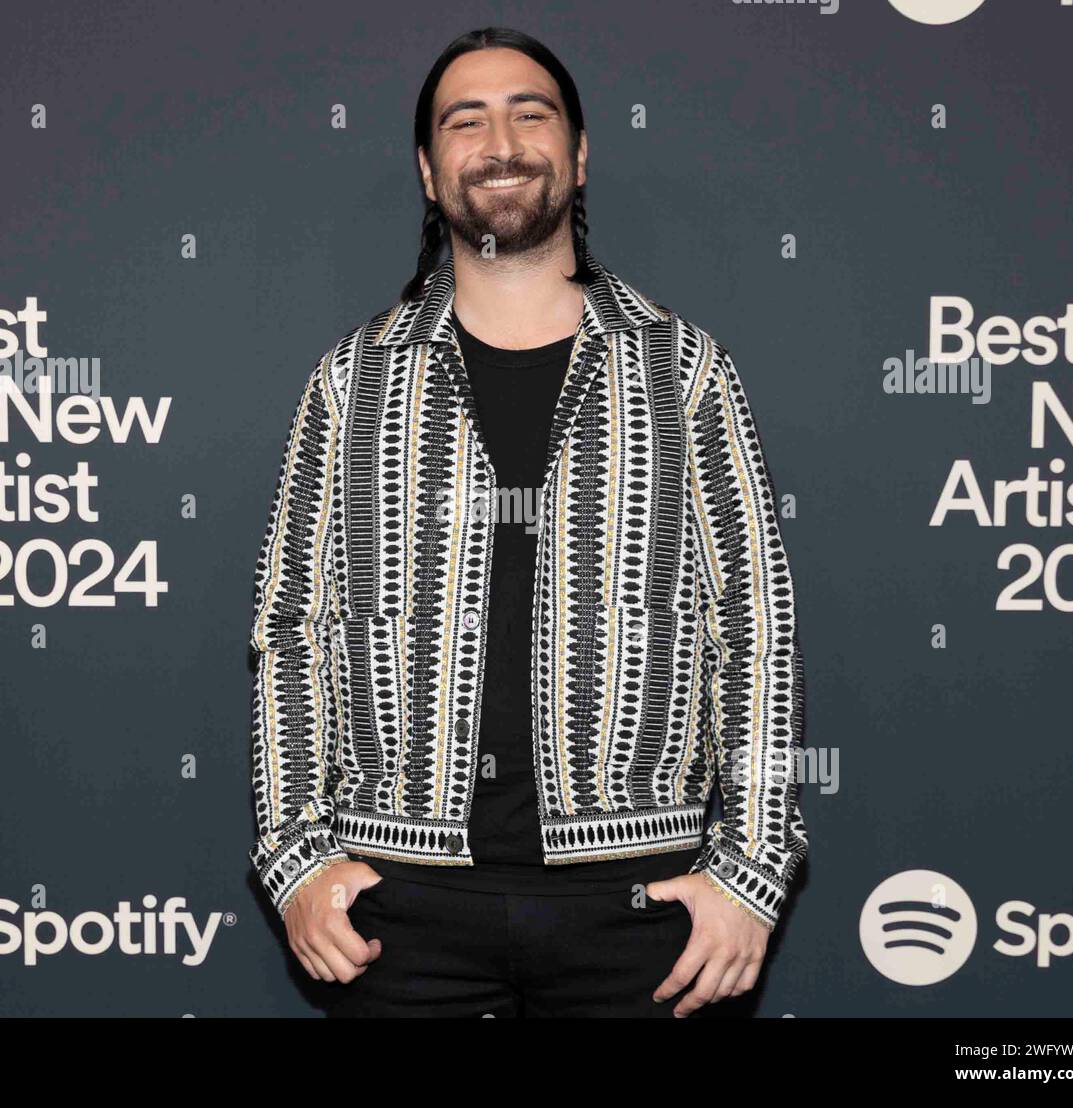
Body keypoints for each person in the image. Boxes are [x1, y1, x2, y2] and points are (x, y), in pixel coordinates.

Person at [248, 26, 808, 1018]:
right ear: (429, 171)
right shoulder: (353, 378)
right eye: (466, 121)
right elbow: (293, 629)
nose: (499, 140)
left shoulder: (681, 368)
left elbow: (754, 629)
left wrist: (749, 874)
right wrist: (296, 858)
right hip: (396, 909)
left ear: (580, 153)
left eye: (529, 113)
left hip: (641, 910)